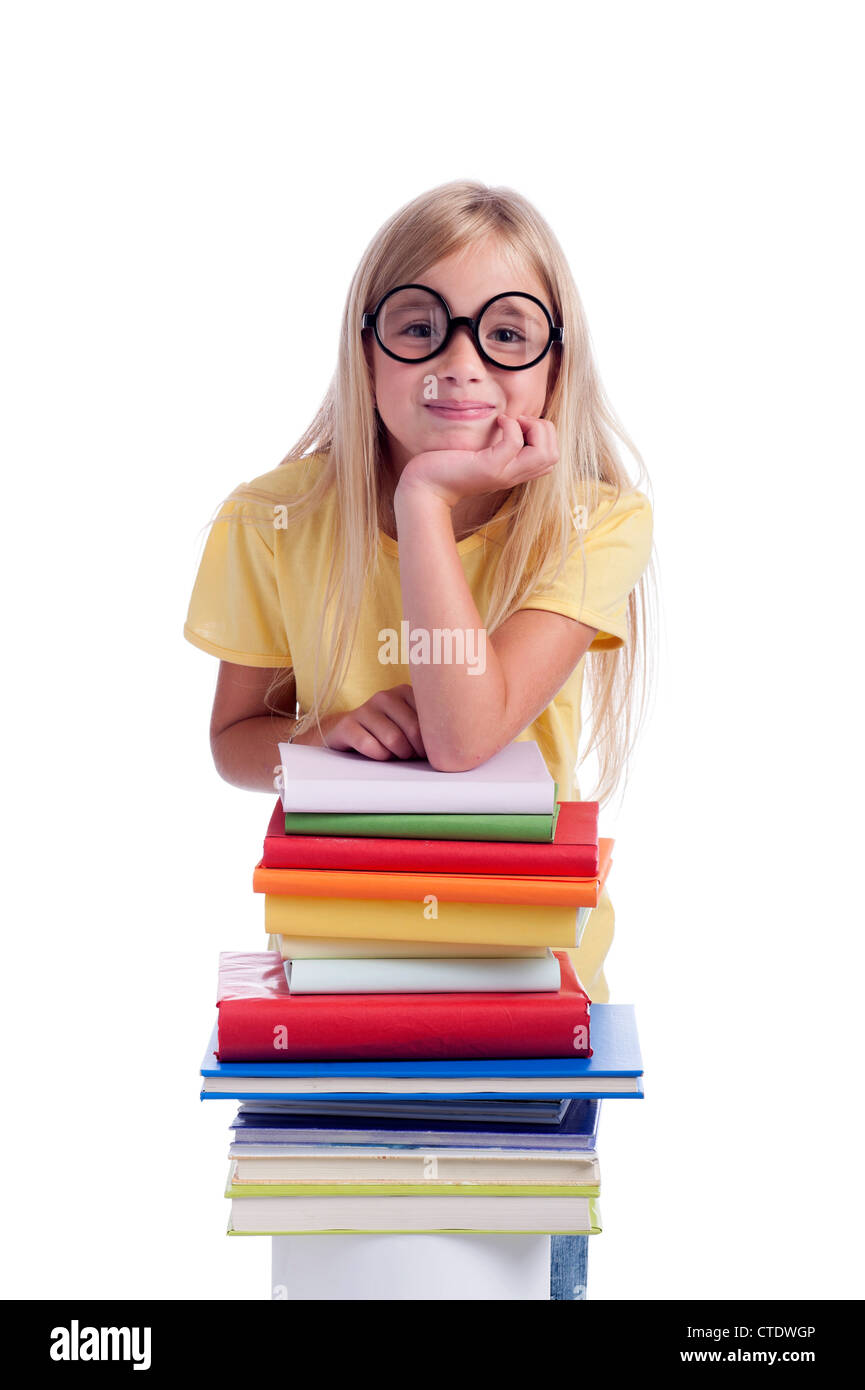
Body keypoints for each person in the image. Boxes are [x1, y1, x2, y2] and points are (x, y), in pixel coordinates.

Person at [184, 180, 656, 1300]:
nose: (461, 364)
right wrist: (323, 733)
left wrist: (426, 504)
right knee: (351, 1274)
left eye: (504, 334)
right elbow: (234, 738)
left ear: (553, 362)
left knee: (506, 1274)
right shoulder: (273, 517)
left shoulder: (594, 519)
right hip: (342, 987)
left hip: (521, 993)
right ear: (368, 348)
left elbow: (464, 733)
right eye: (418, 326)